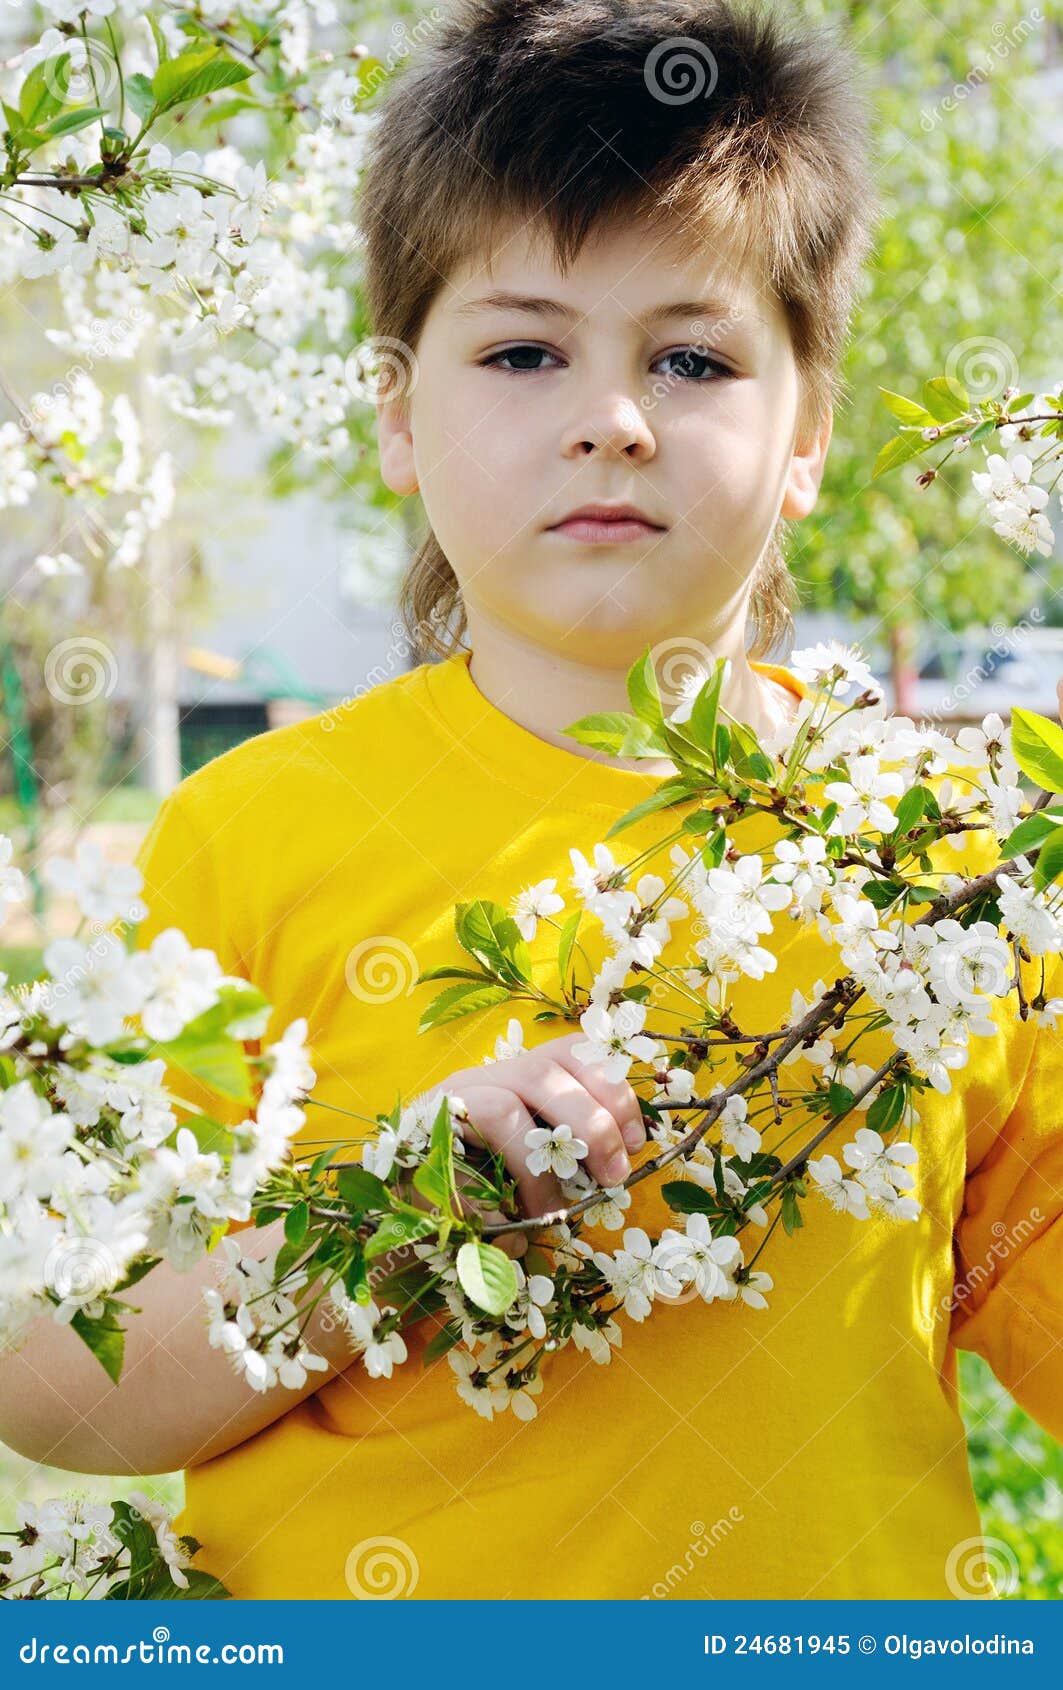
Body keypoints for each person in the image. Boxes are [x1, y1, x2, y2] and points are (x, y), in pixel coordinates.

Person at [4, 0, 1061, 1601]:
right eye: (521, 350)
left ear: (810, 440)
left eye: (693, 357)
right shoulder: (244, 835)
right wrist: (382, 1225)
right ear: (397, 414)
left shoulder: (958, 865)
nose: (612, 416)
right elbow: (65, 1378)